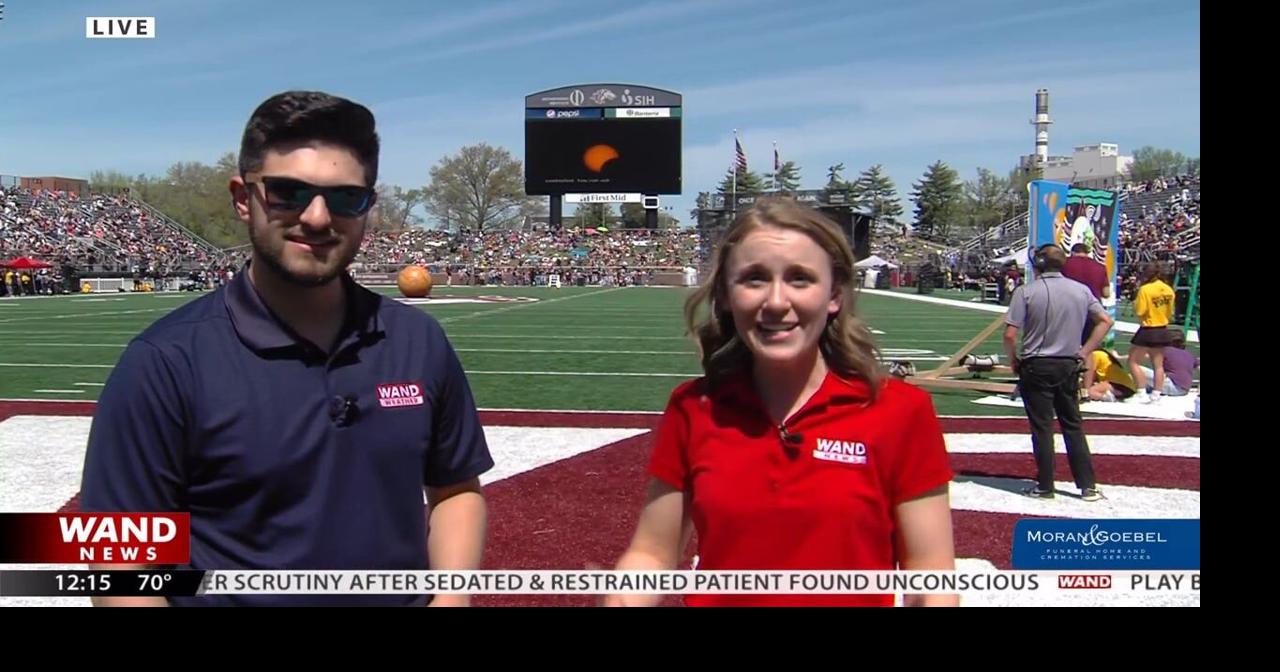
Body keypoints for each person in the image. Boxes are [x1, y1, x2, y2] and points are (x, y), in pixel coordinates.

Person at [80, 91, 493, 607]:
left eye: (345, 197)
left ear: (368, 207)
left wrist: (452, 600)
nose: (317, 217)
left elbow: (456, 491)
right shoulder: (164, 362)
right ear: (242, 198)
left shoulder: (418, 340)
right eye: (287, 192)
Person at [607, 198, 956, 607]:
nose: (775, 301)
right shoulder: (693, 407)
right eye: (754, 278)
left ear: (834, 295)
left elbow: (930, 576)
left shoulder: (899, 410)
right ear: (725, 294)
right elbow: (652, 554)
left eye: (800, 278)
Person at [1004, 244, 1113, 501]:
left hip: (1037, 364)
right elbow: (1105, 321)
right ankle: (1087, 485)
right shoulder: (1081, 290)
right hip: (1068, 364)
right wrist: (1084, 351)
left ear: (1039, 264)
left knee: (1042, 427)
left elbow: (1010, 334)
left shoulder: (1026, 291)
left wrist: (1013, 360)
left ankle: (1045, 485)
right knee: (1072, 425)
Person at [1128, 263, 1178, 403]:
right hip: (1162, 328)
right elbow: (1170, 312)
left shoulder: (1145, 289)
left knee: (1133, 361)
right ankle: (1156, 394)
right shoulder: (1168, 289)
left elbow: (1140, 311)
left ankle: (1141, 392)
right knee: (1158, 365)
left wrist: (1135, 303)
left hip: (1148, 328)